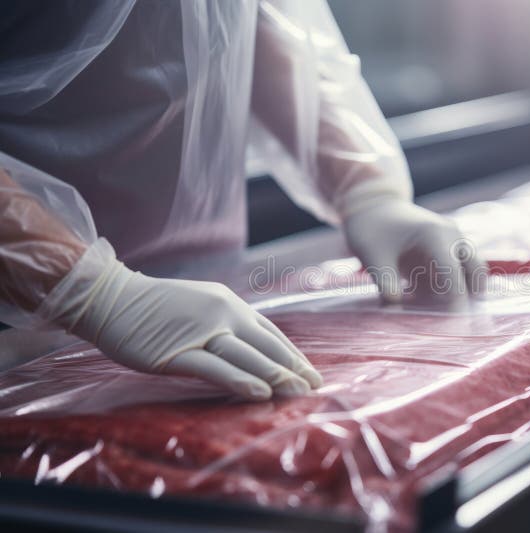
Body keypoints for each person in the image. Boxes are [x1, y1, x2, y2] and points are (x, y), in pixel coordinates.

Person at [0, 1, 483, 400]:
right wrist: (87, 290)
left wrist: (366, 189)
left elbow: (253, 19)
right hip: (18, 327)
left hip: (216, 313)